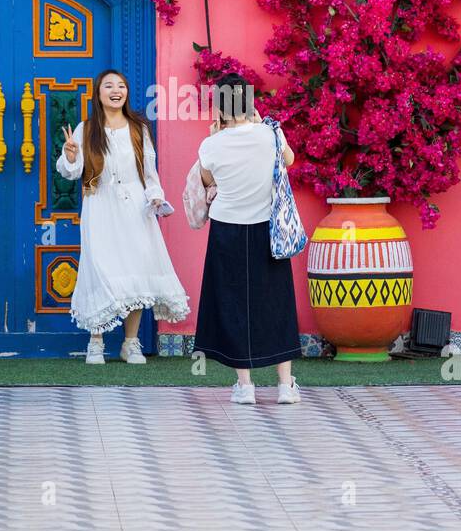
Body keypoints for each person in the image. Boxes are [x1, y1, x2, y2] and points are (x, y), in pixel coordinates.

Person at [57, 69, 189, 363]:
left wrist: (155, 195)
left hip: (135, 208)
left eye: (121, 86)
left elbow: (149, 172)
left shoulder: (138, 128)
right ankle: (96, 340)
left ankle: (131, 342)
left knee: (135, 269)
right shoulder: (86, 129)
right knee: (99, 268)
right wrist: (68, 156)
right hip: (99, 204)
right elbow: (72, 172)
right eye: (109, 86)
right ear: (98, 93)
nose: (116, 90)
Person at [194, 73, 302, 405]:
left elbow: (207, 178)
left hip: (227, 228)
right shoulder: (271, 134)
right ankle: (285, 385)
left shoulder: (210, 144)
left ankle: (246, 385)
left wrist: (219, 135)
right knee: (277, 303)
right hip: (266, 228)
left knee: (232, 303)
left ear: (220, 107)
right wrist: (263, 127)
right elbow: (289, 161)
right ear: (249, 101)